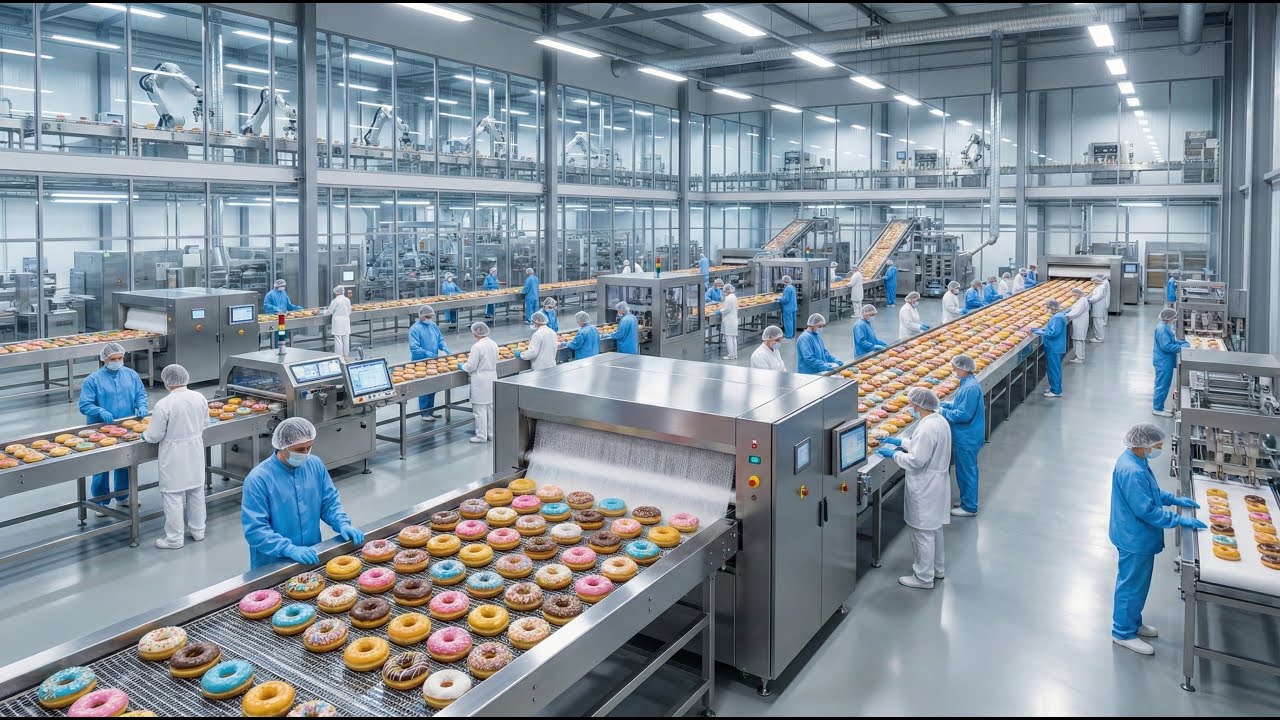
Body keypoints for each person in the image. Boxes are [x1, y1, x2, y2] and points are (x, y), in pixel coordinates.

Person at [1109, 422, 1206, 655]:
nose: (1159, 447)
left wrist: (1174, 500)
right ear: (1143, 445)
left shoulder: (1137, 461)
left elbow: (1151, 493)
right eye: (1157, 444)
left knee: (1138, 585)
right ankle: (1122, 632)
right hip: (1133, 537)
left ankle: (1133, 622)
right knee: (1131, 585)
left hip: (1137, 535)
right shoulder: (1131, 471)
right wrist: (1178, 521)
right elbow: (1146, 510)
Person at [240, 417, 364, 570]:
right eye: (299, 450)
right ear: (282, 447)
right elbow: (256, 530)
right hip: (272, 564)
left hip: (311, 555)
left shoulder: (315, 464)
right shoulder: (258, 479)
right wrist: (288, 549)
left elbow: (328, 502)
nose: (305, 454)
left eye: (309, 447)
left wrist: (342, 523)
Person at [875, 387, 951, 589]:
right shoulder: (938, 421)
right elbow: (921, 446)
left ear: (918, 405)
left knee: (921, 531)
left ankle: (924, 578)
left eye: (912, 403)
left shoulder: (926, 428)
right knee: (934, 529)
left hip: (925, 485)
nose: (910, 405)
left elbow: (917, 459)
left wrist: (894, 455)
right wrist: (899, 441)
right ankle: (938, 568)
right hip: (937, 482)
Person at [142, 364, 208, 550]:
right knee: (196, 492)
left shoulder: (164, 404)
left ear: (167, 382)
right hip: (194, 450)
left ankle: (174, 539)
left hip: (173, 455)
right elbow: (205, 423)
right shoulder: (200, 397)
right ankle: (198, 531)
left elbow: (154, 435)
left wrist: (144, 435)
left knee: (173, 496)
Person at [79, 342, 148, 513]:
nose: (117, 361)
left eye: (120, 358)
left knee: (126, 462)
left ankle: (123, 496)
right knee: (101, 466)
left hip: (126, 427)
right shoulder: (92, 380)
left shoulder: (131, 375)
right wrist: (99, 411)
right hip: (101, 429)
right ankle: (101, 503)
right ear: (104, 360)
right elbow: (84, 405)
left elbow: (140, 394)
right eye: (113, 359)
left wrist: (142, 406)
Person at [940, 354, 984, 518]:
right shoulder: (967, 383)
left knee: (967, 471)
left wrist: (942, 411)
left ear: (964, 369)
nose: (954, 370)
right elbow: (962, 406)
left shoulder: (970, 388)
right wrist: (947, 404)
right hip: (968, 435)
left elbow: (963, 415)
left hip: (967, 437)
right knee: (965, 470)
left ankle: (969, 507)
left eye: (956, 367)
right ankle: (967, 500)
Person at [409, 305, 449, 422]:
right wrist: (426, 353)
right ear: (421, 316)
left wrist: (444, 347)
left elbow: (439, 338)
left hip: (433, 361)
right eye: (427, 316)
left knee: (433, 386)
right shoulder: (414, 329)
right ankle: (424, 413)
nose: (429, 318)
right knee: (424, 388)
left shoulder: (433, 325)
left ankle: (430, 410)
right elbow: (414, 348)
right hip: (420, 362)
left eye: (430, 316)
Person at [463, 322, 498, 443]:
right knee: (490, 407)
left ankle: (481, 436)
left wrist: (463, 366)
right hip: (492, 376)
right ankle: (491, 433)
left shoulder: (477, 347)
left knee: (479, 409)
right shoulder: (493, 343)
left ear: (476, 333)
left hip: (480, 379)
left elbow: (471, 366)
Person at [1152, 308, 1190, 417]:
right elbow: (1166, 346)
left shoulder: (1164, 326)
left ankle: (1160, 406)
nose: (1174, 319)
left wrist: (1181, 342)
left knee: (1164, 385)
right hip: (1162, 362)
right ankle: (1157, 409)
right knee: (1162, 385)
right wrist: (1180, 347)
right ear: (1168, 317)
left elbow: (1171, 341)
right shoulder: (1162, 329)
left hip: (1165, 360)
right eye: (1173, 318)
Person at [1033, 299, 1068, 398]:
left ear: (1052, 307)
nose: (1047, 309)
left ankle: (1056, 391)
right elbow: (1052, 329)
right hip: (1055, 346)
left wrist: (1042, 332)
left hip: (1054, 347)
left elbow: (1053, 333)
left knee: (1054, 369)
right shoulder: (1058, 316)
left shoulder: (1057, 318)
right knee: (1054, 368)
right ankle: (1054, 388)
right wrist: (1044, 329)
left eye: (1048, 307)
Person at [323, 285, 352, 359]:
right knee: (345, 338)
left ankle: (338, 355)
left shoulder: (335, 301)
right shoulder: (347, 300)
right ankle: (346, 355)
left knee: (338, 339)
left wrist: (323, 312)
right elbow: (349, 311)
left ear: (336, 293)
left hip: (338, 321)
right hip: (346, 321)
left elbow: (330, 311)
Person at [1065, 287, 1091, 364]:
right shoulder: (1081, 300)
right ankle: (1081, 356)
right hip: (1079, 322)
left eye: (1074, 295)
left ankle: (1079, 358)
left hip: (1080, 323)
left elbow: (1076, 312)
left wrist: (1066, 315)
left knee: (1078, 340)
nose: (1073, 297)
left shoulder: (1082, 301)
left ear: (1078, 295)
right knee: (1079, 340)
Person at [717, 284, 740, 360]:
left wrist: (719, 311)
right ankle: (735, 354)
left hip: (729, 321)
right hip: (733, 320)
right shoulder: (734, 297)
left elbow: (727, 309)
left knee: (728, 338)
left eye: (724, 291)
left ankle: (730, 355)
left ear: (727, 291)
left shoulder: (728, 298)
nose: (724, 293)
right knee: (733, 338)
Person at [779, 275, 798, 339]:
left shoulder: (787, 288)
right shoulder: (792, 287)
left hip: (788, 309)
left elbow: (786, 300)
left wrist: (779, 298)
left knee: (788, 322)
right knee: (793, 322)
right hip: (793, 307)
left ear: (784, 281)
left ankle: (789, 336)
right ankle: (793, 335)